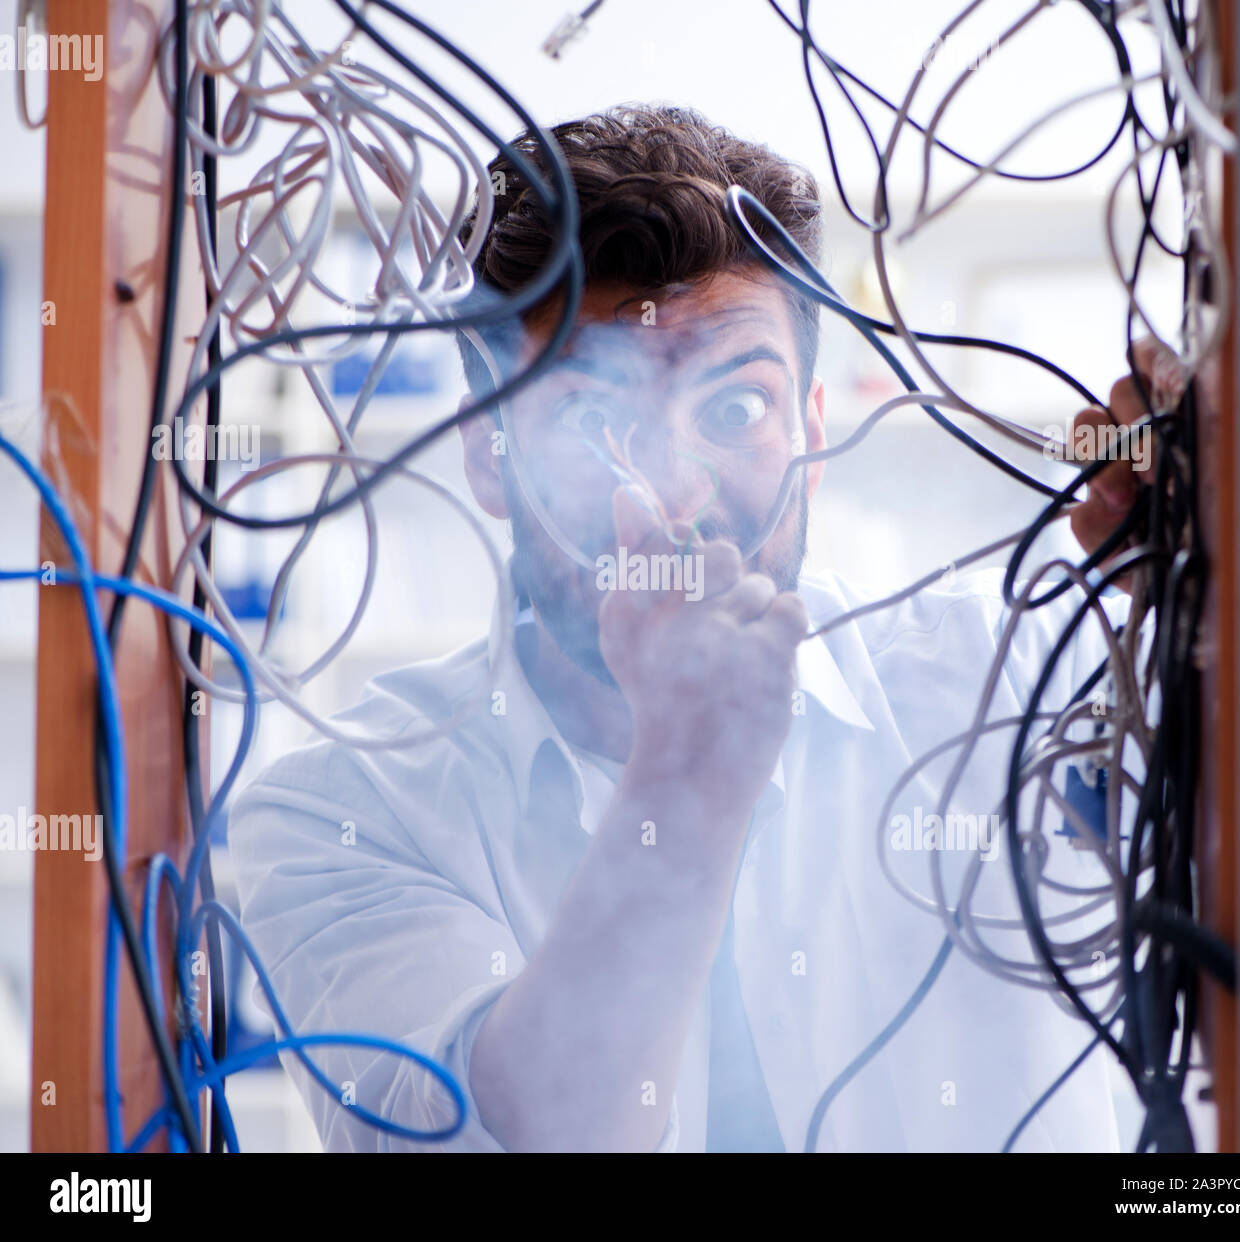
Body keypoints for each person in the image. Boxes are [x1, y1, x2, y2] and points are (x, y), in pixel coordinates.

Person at [229, 104, 1160, 1152]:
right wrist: (687, 771)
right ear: (488, 454)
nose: (674, 491)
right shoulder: (337, 818)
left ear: (811, 431)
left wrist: (1228, 572)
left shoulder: (1031, 681)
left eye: (734, 412)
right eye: (590, 420)